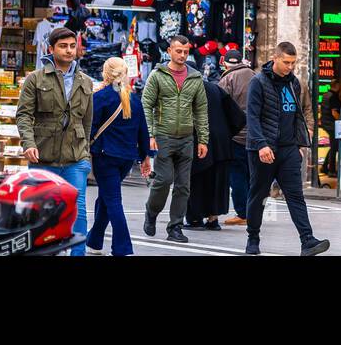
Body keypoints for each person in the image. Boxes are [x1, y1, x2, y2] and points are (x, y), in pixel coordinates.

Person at [244, 41, 329, 256]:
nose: (290, 67)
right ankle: (253, 238)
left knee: (295, 196)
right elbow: (252, 118)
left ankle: (307, 240)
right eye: (286, 62)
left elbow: (298, 115)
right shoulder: (258, 82)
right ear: (275, 57)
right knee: (258, 194)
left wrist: (299, 144)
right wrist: (261, 144)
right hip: (263, 150)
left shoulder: (294, 83)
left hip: (289, 150)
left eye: (293, 62)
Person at [17, 26, 94, 256]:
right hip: (43, 156)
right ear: (51, 49)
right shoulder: (35, 79)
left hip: (75, 157)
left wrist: (86, 153)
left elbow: (87, 121)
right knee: (42, 211)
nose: (69, 51)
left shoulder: (86, 81)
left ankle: (77, 254)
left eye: (72, 46)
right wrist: (28, 143)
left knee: (78, 209)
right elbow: (23, 114)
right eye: (63, 46)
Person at [141, 34, 209, 244]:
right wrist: (150, 134)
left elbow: (201, 109)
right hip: (163, 136)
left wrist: (203, 139)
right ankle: (151, 213)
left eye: (185, 52)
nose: (182, 55)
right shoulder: (158, 75)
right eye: (178, 51)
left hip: (187, 138)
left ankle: (175, 227)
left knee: (183, 186)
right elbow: (146, 105)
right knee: (163, 180)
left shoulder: (195, 77)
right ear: (169, 51)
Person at [86, 57, 151, 256]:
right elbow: (143, 132)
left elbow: (91, 128)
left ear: (106, 73)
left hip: (105, 157)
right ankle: (94, 241)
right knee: (105, 198)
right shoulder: (133, 99)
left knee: (112, 200)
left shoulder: (100, 97)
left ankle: (123, 249)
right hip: (127, 158)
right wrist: (145, 158)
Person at [185, 75, 246, 231]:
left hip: (197, 140)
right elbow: (239, 117)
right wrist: (226, 133)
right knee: (218, 181)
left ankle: (195, 218)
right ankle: (213, 219)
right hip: (221, 142)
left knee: (196, 180)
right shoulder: (215, 88)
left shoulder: (186, 89)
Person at [218, 48, 256, 225]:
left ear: (224, 62)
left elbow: (221, 108)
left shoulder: (227, 79)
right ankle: (254, 212)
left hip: (236, 136)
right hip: (255, 135)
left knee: (237, 176)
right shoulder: (255, 75)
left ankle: (243, 213)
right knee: (251, 175)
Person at [319, 78, 341, 178]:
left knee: (334, 145)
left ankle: (325, 167)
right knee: (334, 147)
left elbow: (321, 109)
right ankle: (331, 170)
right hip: (333, 124)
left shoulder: (325, 95)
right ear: (337, 86)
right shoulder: (334, 97)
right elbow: (334, 112)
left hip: (325, 123)